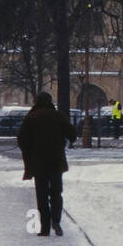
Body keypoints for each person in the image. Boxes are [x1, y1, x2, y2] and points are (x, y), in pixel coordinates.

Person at [17, 92, 76, 237]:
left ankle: (44, 227)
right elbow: (72, 134)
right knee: (56, 193)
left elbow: (21, 139)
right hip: (56, 162)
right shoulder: (58, 116)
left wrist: (29, 152)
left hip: (38, 162)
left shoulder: (31, 117)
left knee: (41, 195)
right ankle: (56, 221)